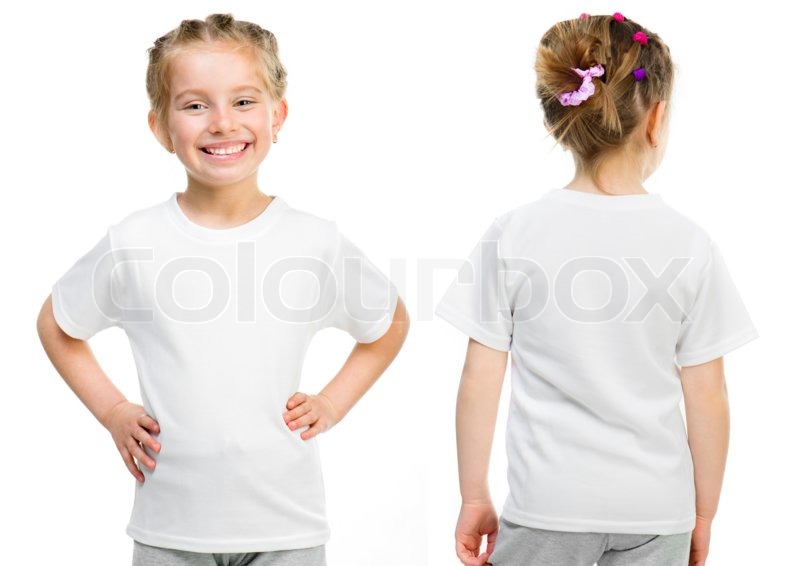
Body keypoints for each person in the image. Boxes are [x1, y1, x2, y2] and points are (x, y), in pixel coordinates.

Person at [36, 13, 408, 566]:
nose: (221, 123)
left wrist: (332, 402)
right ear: (161, 128)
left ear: (277, 116)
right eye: (194, 105)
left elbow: (389, 323)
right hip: (170, 530)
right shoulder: (133, 241)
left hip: (288, 528)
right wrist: (113, 411)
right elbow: (57, 324)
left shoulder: (313, 241)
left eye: (243, 101)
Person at [436, 12, 757, 566]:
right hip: (657, 511)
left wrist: (473, 496)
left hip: (547, 505)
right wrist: (704, 514)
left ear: (558, 120)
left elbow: (479, 379)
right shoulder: (689, 243)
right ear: (655, 119)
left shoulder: (514, 233)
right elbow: (708, 397)